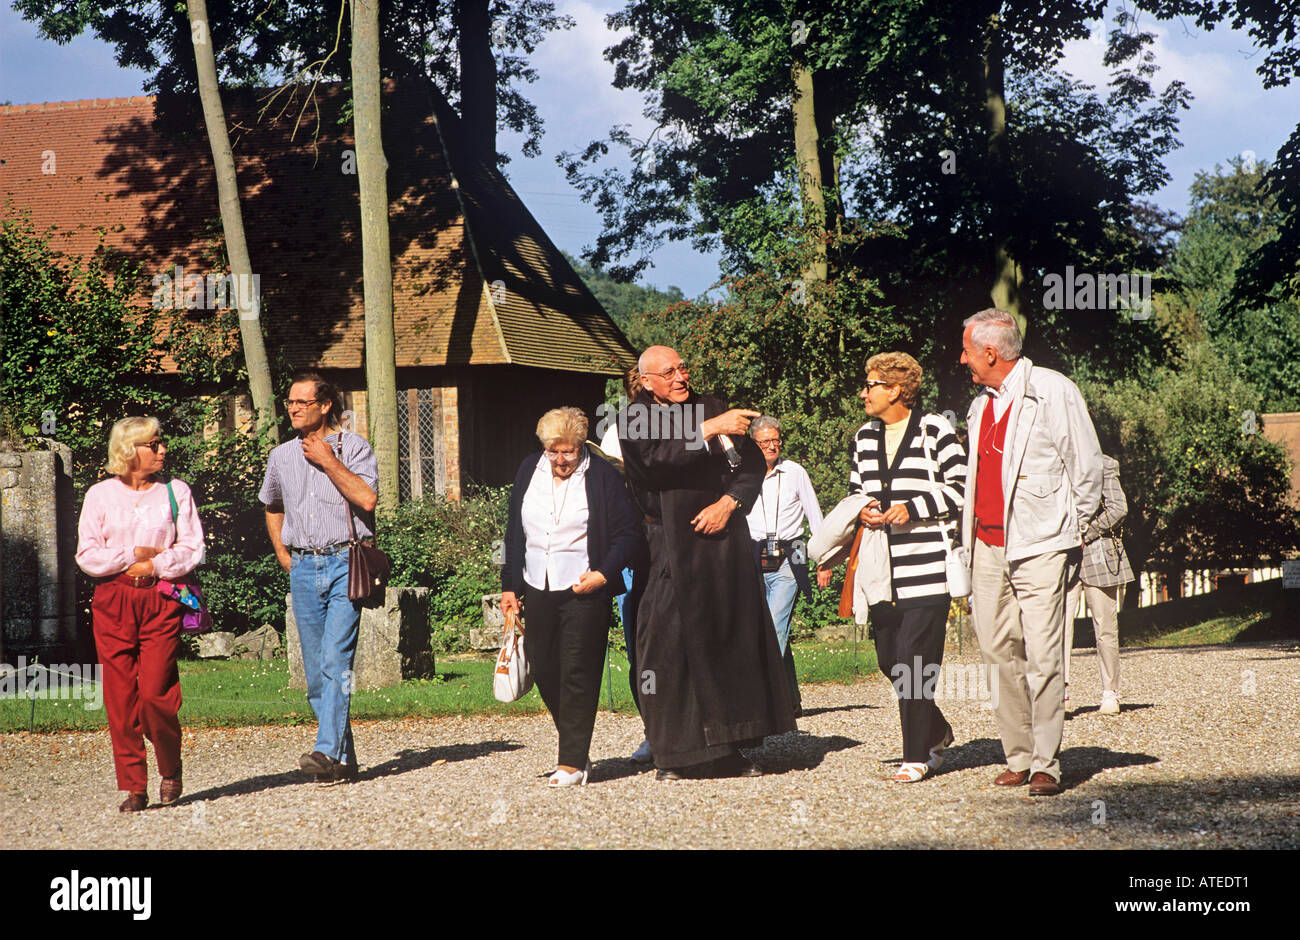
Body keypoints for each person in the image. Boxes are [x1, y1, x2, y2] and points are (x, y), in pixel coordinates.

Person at [619, 345, 796, 780]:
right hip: (668, 545)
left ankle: (730, 748)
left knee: (726, 639)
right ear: (646, 381)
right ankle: (674, 755)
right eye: (669, 372)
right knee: (666, 646)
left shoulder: (710, 405)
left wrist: (731, 502)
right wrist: (709, 429)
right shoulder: (635, 417)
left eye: (683, 368)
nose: (680, 377)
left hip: (723, 544)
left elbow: (752, 464)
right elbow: (656, 462)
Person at [959, 309, 1102, 796]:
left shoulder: (1053, 390)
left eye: (967, 351)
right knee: (998, 654)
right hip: (986, 546)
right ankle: (1017, 755)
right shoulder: (981, 405)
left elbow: (1087, 468)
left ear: (991, 353)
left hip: (1042, 544)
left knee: (1043, 653)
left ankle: (1046, 762)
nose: (962, 359)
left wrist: (1073, 530)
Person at [501, 407, 644, 786]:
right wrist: (509, 585)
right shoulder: (528, 470)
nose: (561, 460)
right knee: (545, 668)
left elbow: (629, 533)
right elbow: (514, 532)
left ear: (582, 445)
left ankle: (572, 762)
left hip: (584, 589)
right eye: (554, 451)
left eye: (569, 451)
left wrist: (603, 573)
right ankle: (576, 748)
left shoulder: (602, 476)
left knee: (578, 672)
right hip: (537, 586)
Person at [846, 353, 966, 782]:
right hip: (880, 572)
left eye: (871, 384)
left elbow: (961, 489)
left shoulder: (936, 429)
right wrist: (864, 511)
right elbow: (856, 490)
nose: (864, 392)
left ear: (895, 390)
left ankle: (916, 755)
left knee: (915, 662)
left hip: (928, 567)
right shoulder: (863, 436)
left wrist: (911, 509)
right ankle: (935, 728)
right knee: (889, 659)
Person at [75, 417, 205, 812]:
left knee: (154, 694)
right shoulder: (100, 495)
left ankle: (170, 765)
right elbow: (87, 554)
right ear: (130, 450)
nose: (163, 449)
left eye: (161, 442)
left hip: (161, 599)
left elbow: (193, 547)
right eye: (154, 443)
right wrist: (132, 554)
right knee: (119, 697)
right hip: (113, 599)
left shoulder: (175, 491)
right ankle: (134, 785)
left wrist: (156, 564)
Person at [259, 370, 378, 786]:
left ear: (325, 405)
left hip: (346, 562)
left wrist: (329, 461)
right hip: (304, 568)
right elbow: (272, 504)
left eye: (301, 402)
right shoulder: (281, 457)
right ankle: (344, 757)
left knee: (334, 660)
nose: (292, 408)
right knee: (314, 674)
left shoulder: (355, 447)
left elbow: (367, 498)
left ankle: (325, 751)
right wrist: (282, 552)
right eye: (289, 402)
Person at [745, 415, 830, 714]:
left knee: (773, 627)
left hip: (790, 556)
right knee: (767, 627)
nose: (772, 446)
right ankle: (791, 700)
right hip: (752, 555)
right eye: (765, 441)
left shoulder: (795, 472)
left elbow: (815, 516)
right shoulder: (742, 472)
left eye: (776, 440)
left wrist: (825, 560)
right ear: (753, 443)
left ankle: (760, 701)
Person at [597, 365, 654, 764]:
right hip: (634, 553)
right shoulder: (617, 434)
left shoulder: (686, 426)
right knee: (639, 647)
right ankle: (653, 730)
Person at [1064, 453, 1133, 715]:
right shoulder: (1055, 462)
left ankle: (1110, 692)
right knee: (1058, 629)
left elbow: (1118, 507)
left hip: (1099, 554)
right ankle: (1062, 692)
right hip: (1063, 556)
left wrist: (1087, 532)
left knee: (1105, 629)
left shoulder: (1104, 463)